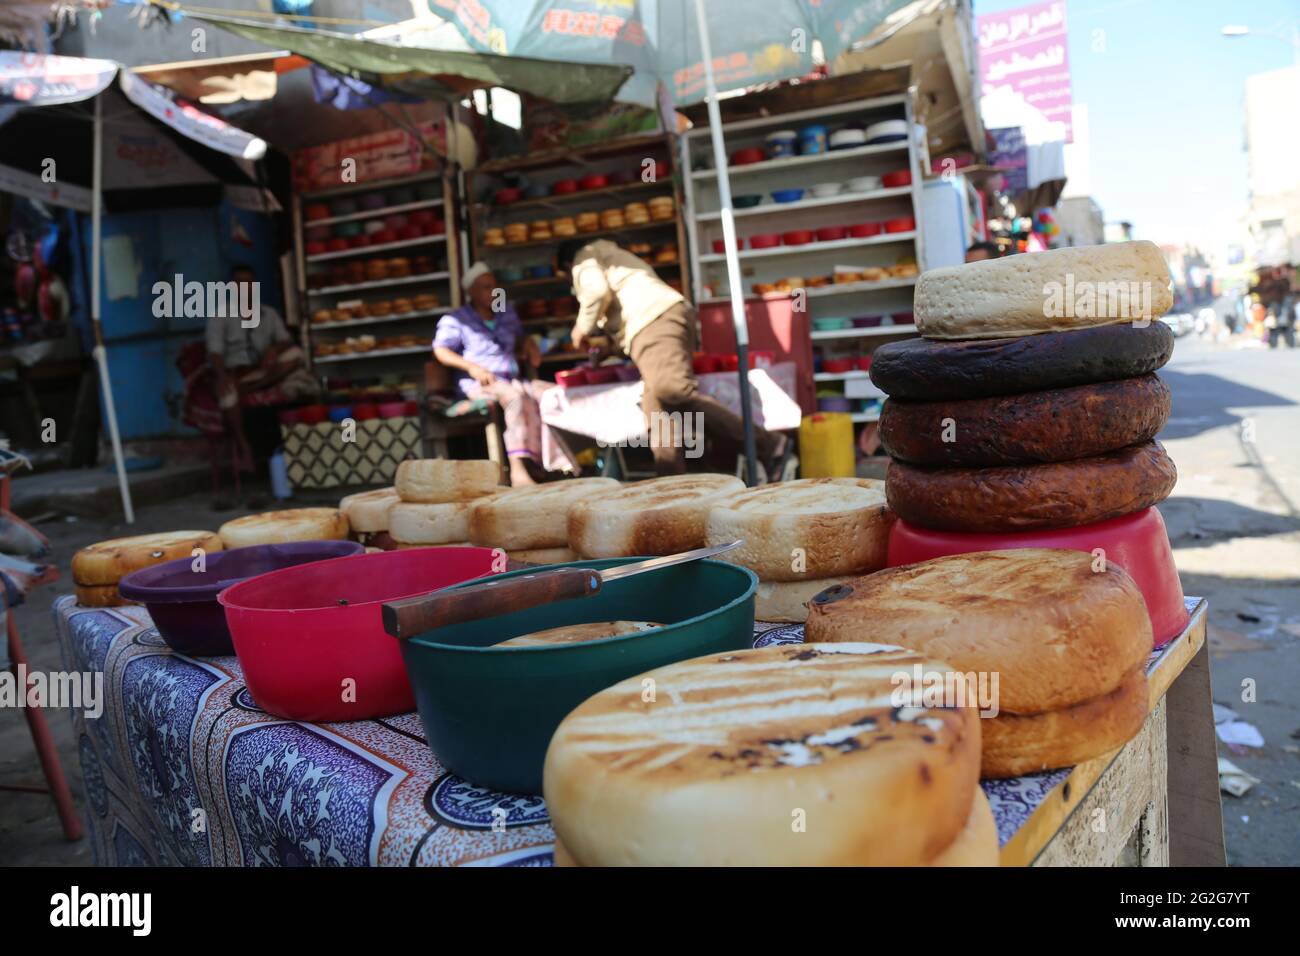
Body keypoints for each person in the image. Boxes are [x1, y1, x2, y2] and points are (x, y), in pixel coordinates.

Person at [556, 238, 786, 477]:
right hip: (662, 320)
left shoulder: (587, 255)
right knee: (656, 409)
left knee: (674, 392)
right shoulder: (613, 257)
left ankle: (769, 445)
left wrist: (580, 329)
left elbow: (596, 291)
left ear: (567, 263)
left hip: (654, 322)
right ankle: (670, 482)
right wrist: (610, 347)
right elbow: (623, 313)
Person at [433, 262, 546, 486]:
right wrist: (472, 368)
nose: (492, 292)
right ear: (471, 292)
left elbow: (519, 336)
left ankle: (542, 463)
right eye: (485, 287)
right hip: (480, 384)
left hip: (510, 378)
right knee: (515, 399)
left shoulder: (505, 311)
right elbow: (440, 350)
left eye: (494, 286)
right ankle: (517, 469)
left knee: (545, 395)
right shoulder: (457, 319)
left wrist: (528, 343)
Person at [206, 264, 317, 471]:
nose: (245, 288)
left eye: (249, 284)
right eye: (239, 283)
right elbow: (215, 352)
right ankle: (243, 446)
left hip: (264, 372)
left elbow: (285, 340)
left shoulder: (268, 313)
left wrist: (274, 349)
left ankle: (254, 387)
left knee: (296, 355)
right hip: (237, 374)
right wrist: (221, 376)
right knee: (228, 393)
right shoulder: (220, 316)